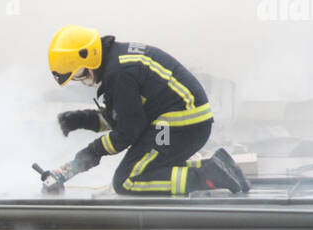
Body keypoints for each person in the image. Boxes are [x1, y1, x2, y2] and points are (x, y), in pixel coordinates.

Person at [42, 26, 249, 197]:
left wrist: (90, 153)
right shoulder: (118, 60)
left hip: (176, 127)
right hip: (183, 123)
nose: (82, 81)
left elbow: (126, 133)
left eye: (79, 73)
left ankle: (206, 176)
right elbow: (124, 116)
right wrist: (81, 120)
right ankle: (219, 165)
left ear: (91, 56)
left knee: (127, 180)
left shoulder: (120, 74)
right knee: (151, 168)